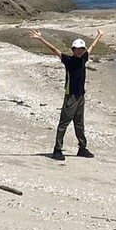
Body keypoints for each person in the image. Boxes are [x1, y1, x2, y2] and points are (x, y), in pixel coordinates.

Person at [29, 28, 104, 160]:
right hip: (71, 97)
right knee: (64, 123)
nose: (80, 51)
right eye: (77, 49)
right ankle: (57, 150)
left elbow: (92, 47)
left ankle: (82, 148)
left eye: (82, 49)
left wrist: (99, 35)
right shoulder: (68, 60)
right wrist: (40, 39)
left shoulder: (84, 58)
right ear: (73, 49)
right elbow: (54, 50)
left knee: (79, 123)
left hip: (81, 96)